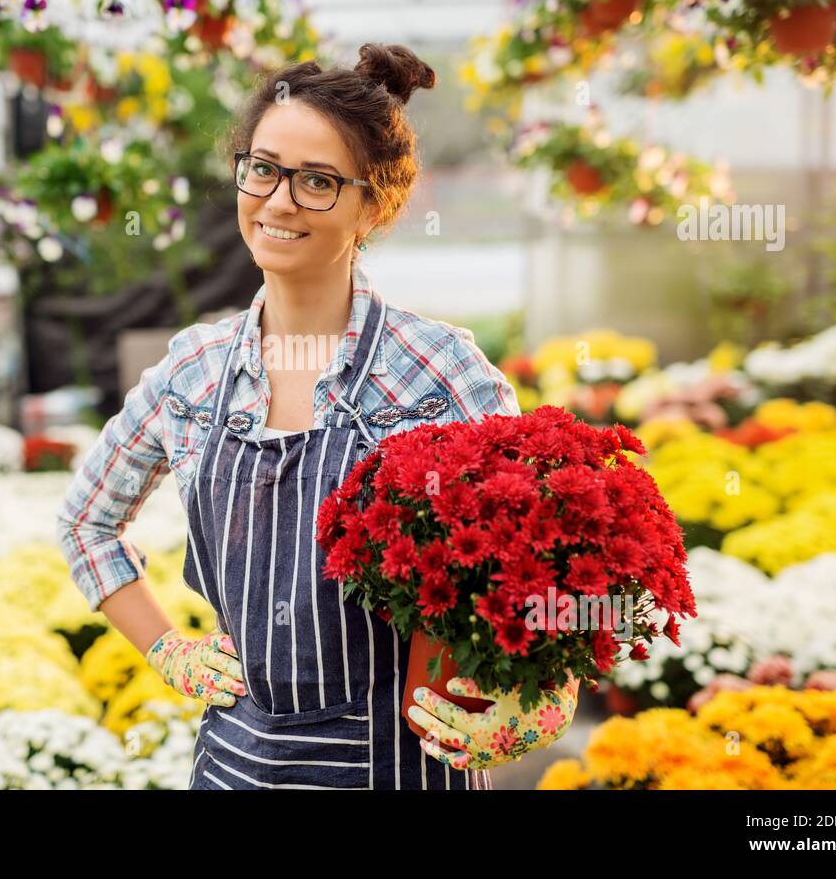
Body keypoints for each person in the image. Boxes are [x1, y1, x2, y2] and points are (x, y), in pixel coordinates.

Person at [58, 42, 544, 790]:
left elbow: (544, 558)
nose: (279, 201)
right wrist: (169, 650)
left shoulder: (441, 371)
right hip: (237, 767)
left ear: (373, 205)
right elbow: (88, 522)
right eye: (263, 167)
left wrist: (539, 701)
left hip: (405, 766)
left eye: (318, 181)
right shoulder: (194, 370)